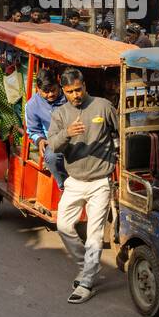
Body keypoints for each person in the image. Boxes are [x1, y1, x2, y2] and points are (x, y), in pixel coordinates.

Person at [47, 67, 118, 303]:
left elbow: (120, 133)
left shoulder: (103, 106)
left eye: (78, 90)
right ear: (64, 92)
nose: (75, 95)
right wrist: (67, 133)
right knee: (63, 225)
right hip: (75, 181)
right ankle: (86, 265)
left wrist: (117, 154)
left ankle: (87, 280)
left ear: (84, 86)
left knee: (94, 235)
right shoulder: (60, 114)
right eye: (70, 92)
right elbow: (53, 146)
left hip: (100, 181)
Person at [24, 69, 67, 188]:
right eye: (46, 92)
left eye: (53, 90)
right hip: (53, 142)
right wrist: (40, 140)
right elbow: (33, 131)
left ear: (58, 84)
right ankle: (64, 185)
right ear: (38, 89)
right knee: (51, 156)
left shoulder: (69, 96)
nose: (51, 94)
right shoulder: (32, 105)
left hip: (75, 137)